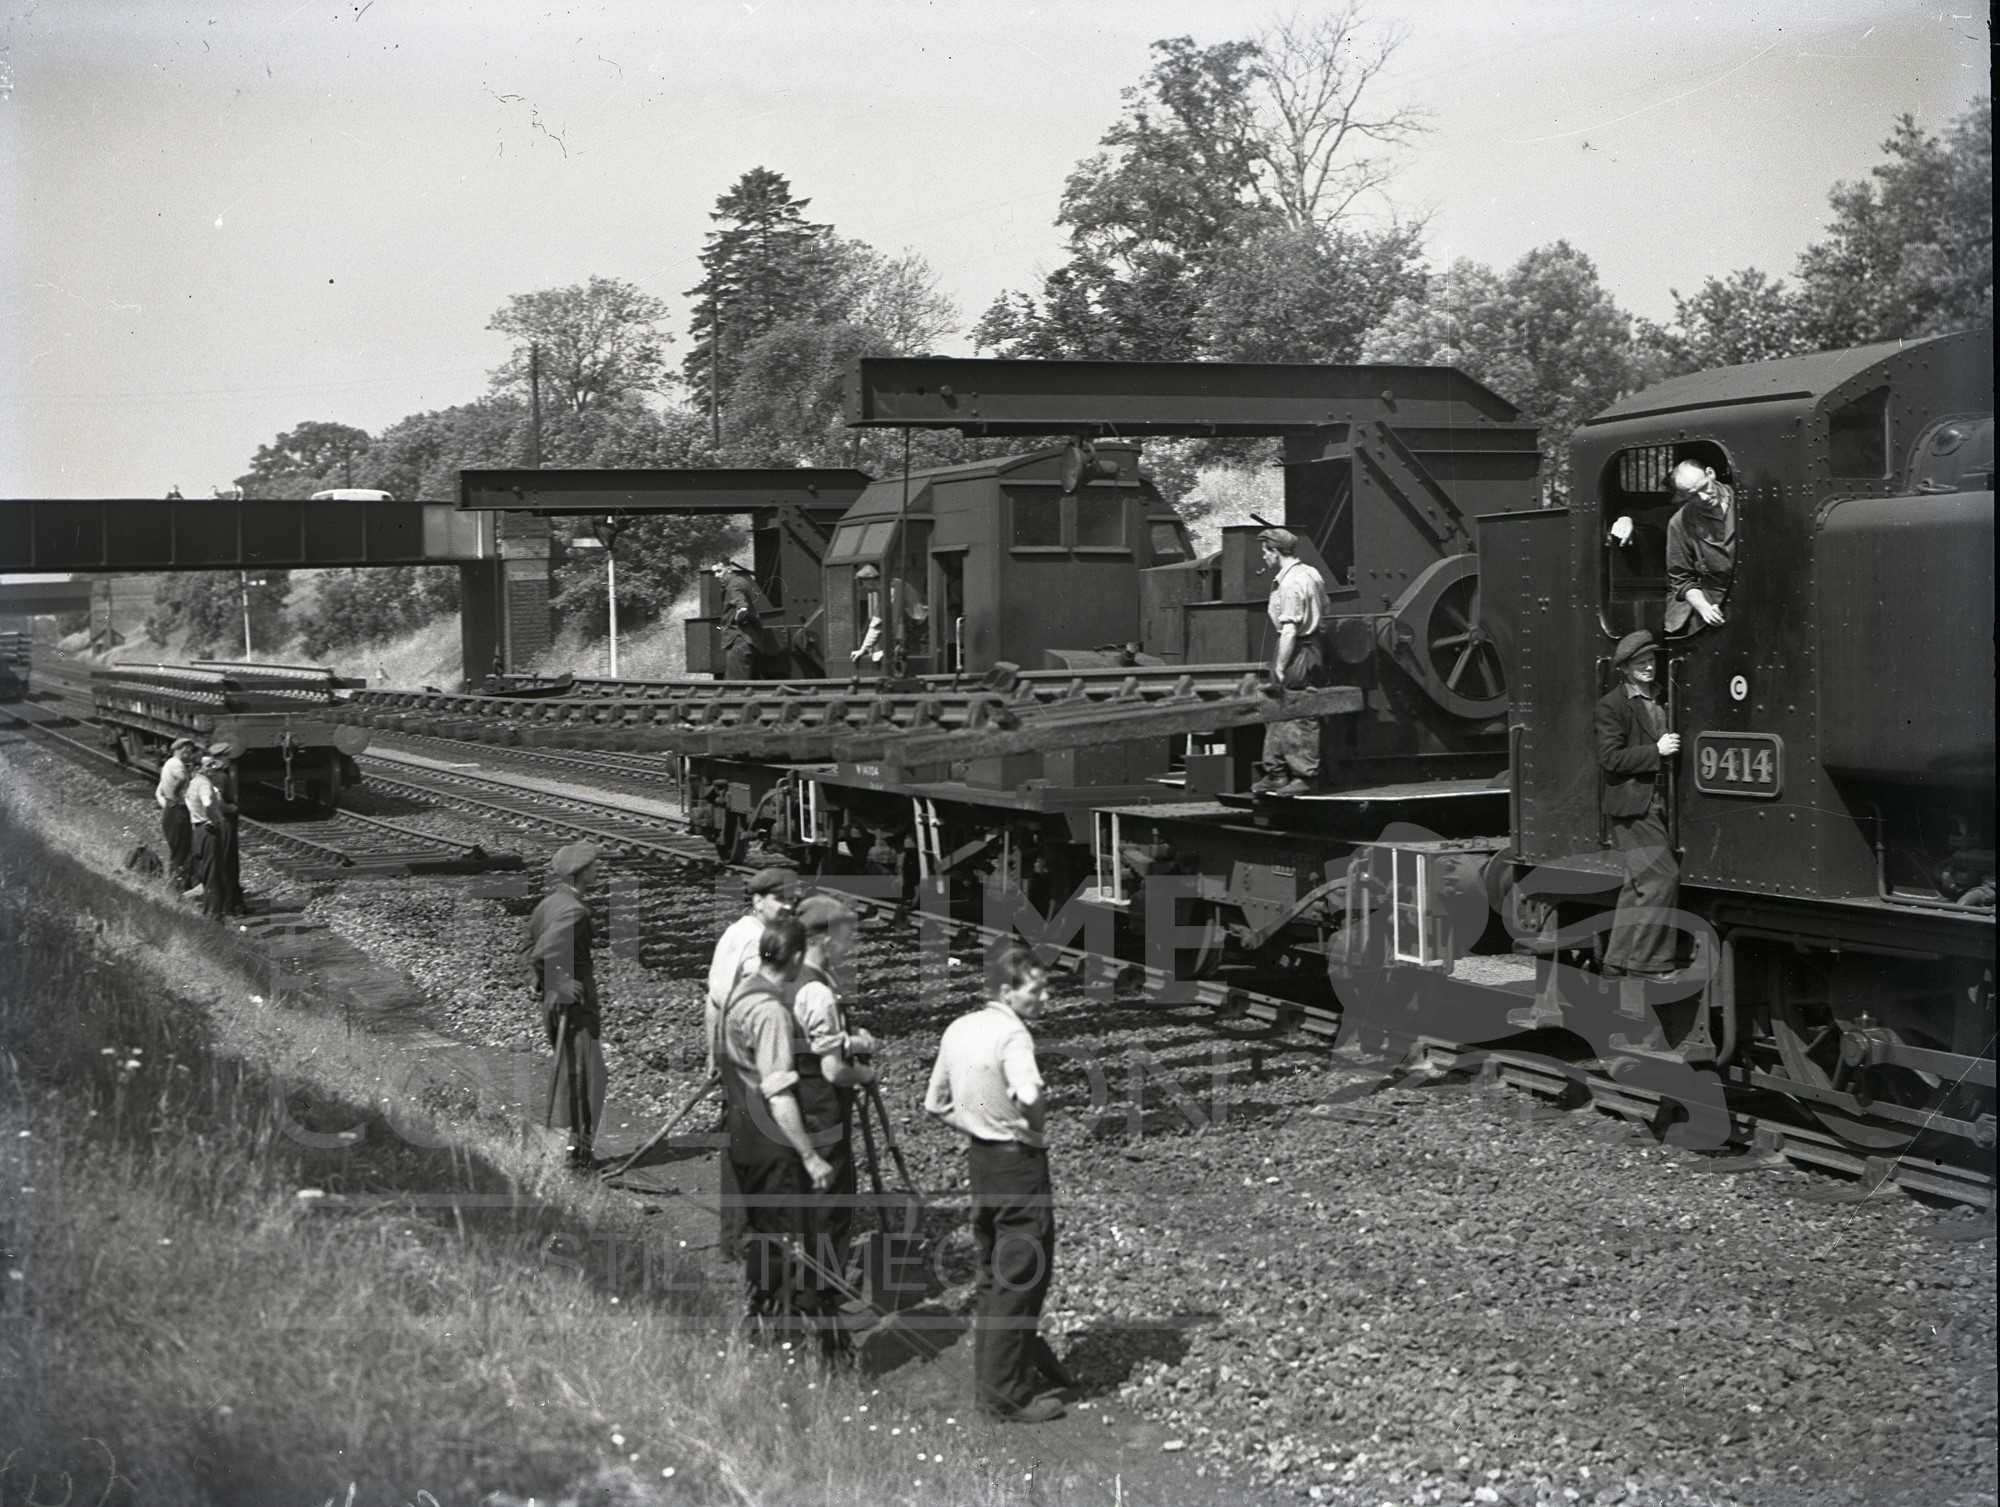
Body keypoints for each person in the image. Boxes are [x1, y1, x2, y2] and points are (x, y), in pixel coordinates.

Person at [924, 945, 1076, 1423]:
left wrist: (978, 1127)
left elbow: (934, 1104)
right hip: (1018, 1167)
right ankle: (1004, 1397)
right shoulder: (1013, 1036)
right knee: (1022, 1274)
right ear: (1007, 991)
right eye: (1037, 989)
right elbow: (1030, 1092)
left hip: (982, 1163)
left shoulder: (960, 1027)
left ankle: (1013, 1366)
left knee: (996, 1272)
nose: (1046, 997)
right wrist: (1031, 1128)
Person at [717, 918, 844, 1353]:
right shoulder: (770, 1010)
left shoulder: (743, 990)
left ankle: (758, 1324)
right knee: (788, 1242)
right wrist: (810, 1156)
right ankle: (786, 1346)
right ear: (792, 958)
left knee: (764, 1235)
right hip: (771, 1140)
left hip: (740, 1133)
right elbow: (780, 1094)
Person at [790, 894, 879, 1290]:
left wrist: (850, 1039)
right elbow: (832, 1069)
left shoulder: (793, 975)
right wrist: (863, 1073)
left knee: (810, 1192)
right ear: (824, 939)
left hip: (797, 1099)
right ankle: (826, 1284)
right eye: (847, 935)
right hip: (821, 1104)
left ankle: (810, 1271)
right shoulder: (819, 991)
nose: (851, 943)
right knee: (831, 1194)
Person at [707, 867, 798, 1254]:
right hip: (747, 1057)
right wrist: (716, 1057)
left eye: (791, 898)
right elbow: (718, 999)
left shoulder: (744, 932)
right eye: (780, 898)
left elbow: (716, 1001)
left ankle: (737, 1235)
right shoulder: (750, 938)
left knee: (740, 1144)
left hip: (738, 1052)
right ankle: (752, 1240)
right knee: (760, 1148)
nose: (788, 906)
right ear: (758, 901)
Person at [1594, 630, 1682, 979]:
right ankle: (1647, 963)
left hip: (1660, 801)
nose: (1648, 667)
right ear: (1625, 668)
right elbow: (1610, 758)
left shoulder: (1661, 696)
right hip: (1632, 805)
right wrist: (1655, 752)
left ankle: (1617, 960)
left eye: (1651, 661)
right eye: (1640, 663)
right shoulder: (1612, 705)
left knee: (1637, 884)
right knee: (1662, 876)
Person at [528, 841, 606, 1170]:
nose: (597, 870)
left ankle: (571, 1147)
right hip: (574, 1007)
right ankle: (579, 1155)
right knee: (588, 1079)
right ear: (580, 873)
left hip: (555, 1002)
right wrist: (560, 983)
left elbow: (527, 947)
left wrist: (544, 985)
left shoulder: (549, 903)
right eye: (593, 867)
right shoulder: (575, 910)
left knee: (573, 1075)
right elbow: (541, 952)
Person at [1252, 527, 1332, 799]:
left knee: (1300, 710)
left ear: (1276, 552)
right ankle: (1276, 772)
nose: (1263, 557)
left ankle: (1304, 776)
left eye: (1265, 552)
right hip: (1309, 645)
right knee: (1276, 705)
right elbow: (1327, 608)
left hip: (1298, 648)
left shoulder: (1290, 583)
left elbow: (1289, 630)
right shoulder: (1311, 573)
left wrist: (1280, 665)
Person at [1663, 461, 1736, 637]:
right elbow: (1681, 579)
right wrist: (1704, 607)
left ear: (1711, 473)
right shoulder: (1679, 523)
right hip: (1714, 607)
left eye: (1704, 487)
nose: (1703, 497)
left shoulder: (1748, 499)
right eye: (1693, 495)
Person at [850, 563, 929, 668]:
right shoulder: (886, 590)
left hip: (918, 631)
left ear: (870, 580)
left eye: (861, 582)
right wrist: (863, 649)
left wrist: (887, 651)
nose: (862, 587)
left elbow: (894, 621)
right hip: (912, 630)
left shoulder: (894, 589)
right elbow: (877, 622)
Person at [205, 741, 245, 918]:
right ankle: (230, 905)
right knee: (229, 862)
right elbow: (219, 802)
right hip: (225, 822)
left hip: (221, 821)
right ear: (220, 758)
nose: (229, 759)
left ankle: (234, 903)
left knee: (226, 861)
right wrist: (233, 809)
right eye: (226, 756)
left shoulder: (213, 774)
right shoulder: (220, 777)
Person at [714, 561, 771, 680]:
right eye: (715, 572)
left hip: (738, 642)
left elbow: (742, 606)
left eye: (719, 571)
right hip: (749, 641)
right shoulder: (742, 581)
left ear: (729, 569)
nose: (716, 575)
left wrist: (738, 616)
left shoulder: (733, 585)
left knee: (734, 690)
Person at [155, 736, 197, 890]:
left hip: (171, 810)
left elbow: (158, 792)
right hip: (178, 812)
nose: (191, 754)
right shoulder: (178, 766)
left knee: (177, 850)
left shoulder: (168, 764)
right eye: (189, 751)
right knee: (181, 850)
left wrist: (168, 803)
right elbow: (181, 779)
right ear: (182, 750)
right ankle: (176, 888)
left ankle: (177, 885)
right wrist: (177, 796)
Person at [182, 753, 220, 902]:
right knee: (211, 869)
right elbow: (207, 802)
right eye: (209, 765)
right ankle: (211, 907)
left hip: (197, 829)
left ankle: (192, 896)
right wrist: (212, 818)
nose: (213, 767)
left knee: (203, 866)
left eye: (213, 763)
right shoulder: (204, 783)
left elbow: (187, 801)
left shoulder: (193, 783)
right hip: (207, 829)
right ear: (199, 768)